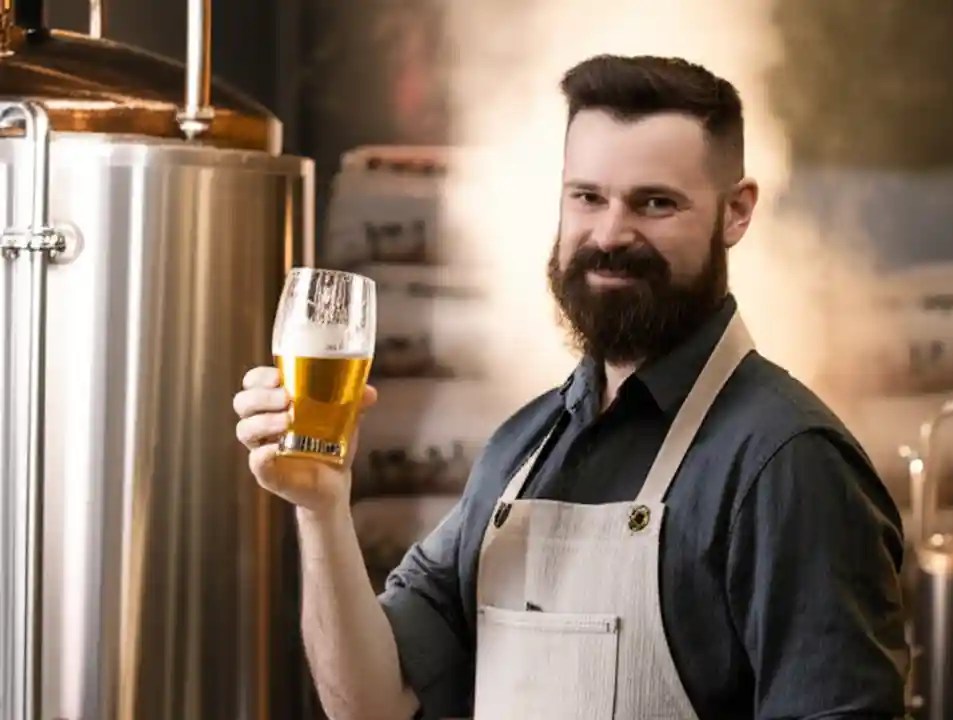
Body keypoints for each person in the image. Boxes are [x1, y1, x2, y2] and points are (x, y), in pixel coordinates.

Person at [234, 54, 909, 720]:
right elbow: (372, 705)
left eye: (655, 203)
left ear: (736, 212)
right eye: (587, 196)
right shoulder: (521, 449)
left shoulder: (788, 464)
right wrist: (321, 510)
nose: (611, 235)